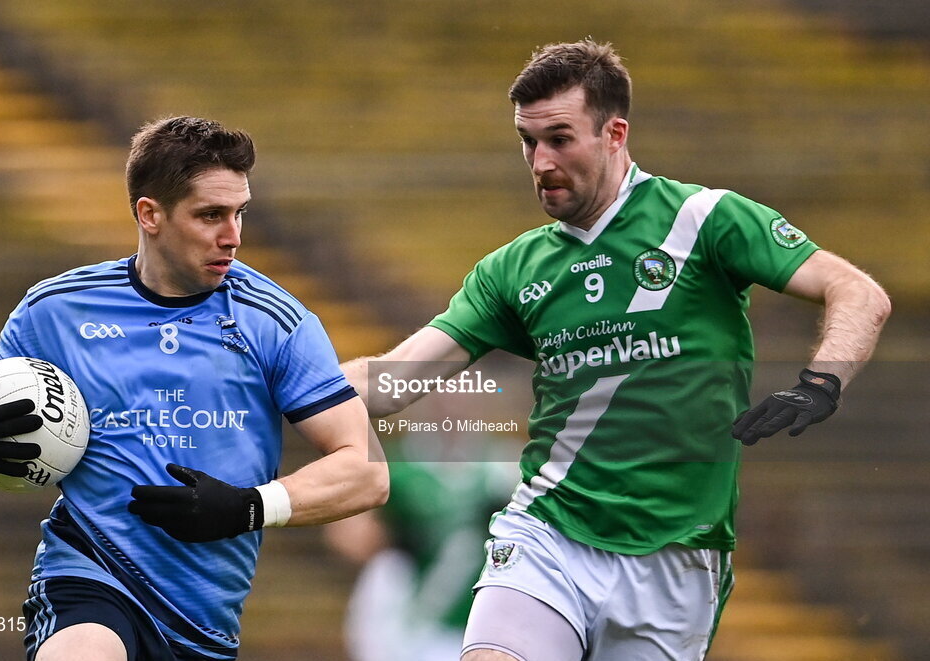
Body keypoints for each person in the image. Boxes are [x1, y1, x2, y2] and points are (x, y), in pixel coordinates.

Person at [341, 39, 891, 661]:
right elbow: (393, 381)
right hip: (549, 535)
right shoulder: (512, 269)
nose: (540, 160)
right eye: (528, 141)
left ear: (614, 133)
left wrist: (822, 382)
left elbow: (857, 292)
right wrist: (265, 387)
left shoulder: (703, 219)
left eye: (559, 138)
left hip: (678, 560)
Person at [0, 116, 389, 661]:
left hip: (201, 624)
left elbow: (367, 474)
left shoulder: (274, 321)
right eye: (210, 215)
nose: (232, 235)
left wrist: (248, 507)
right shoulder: (55, 311)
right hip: (89, 573)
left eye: (239, 213)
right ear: (149, 214)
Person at [324, 421, 517, 661]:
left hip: (478, 621)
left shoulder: (504, 468)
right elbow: (347, 535)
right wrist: (404, 534)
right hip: (416, 615)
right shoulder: (400, 468)